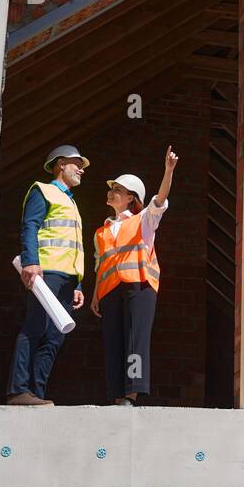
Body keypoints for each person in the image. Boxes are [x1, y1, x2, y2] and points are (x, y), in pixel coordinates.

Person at [93, 145, 178, 405]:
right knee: (113, 342)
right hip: (109, 291)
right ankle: (116, 395)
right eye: (112, 189)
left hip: (139, 287)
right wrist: (96, 294)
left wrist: (168, 171)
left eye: (117, 190)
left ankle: (131, 393)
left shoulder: (143, 220)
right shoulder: (101, 231)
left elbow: (159, 201)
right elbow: (100, 265)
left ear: (131, 197)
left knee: (135, 340)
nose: (112, 192)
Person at [8, 144, 88, 406]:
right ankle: (19, 390)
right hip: (46, 272)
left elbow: (73, 245)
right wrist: (31, 261)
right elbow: (30, 225)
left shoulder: (70, 201)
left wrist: (77, 283)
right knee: (35, 327)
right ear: (60, 164)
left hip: (66, 279)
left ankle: (36, 394)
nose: (81, 170)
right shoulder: (43, 191)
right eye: (76, 163)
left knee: (54, 338)